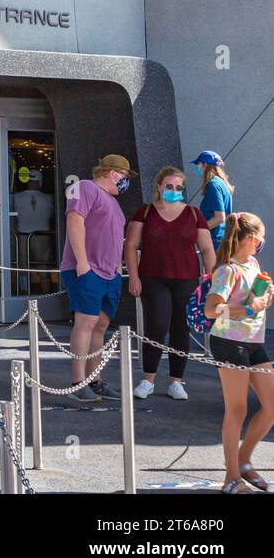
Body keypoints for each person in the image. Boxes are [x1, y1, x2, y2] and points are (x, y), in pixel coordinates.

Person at [125, 166, 215, 400]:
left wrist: (212, 279)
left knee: (180, 328)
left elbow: (206, 249)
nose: (174, 190)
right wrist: (133, 276)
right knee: (156, 325)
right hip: (153, 278)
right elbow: (131, 245)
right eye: (169, 186)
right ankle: (148, 379)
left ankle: (176, 381)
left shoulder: (194, 214)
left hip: (186, 279)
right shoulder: (145, 212)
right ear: (159, 186)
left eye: (178, 187)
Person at [203, 212, 272, 493]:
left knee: (271, 406)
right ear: (253, 239)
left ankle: (244, 461)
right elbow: (212, 309)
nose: (263, 241)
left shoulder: (253, 263)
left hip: (254, 341)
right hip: (229, 341)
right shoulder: (227, 270)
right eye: (262, 237)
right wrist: (247, 307)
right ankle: (231, 477)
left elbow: (255, 300)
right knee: (237, 409)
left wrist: (265, 298)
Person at [60, 154, 135, 402]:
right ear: (112, 172)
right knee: (86, 321)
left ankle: (95, 379)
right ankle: (77, 380)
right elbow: (75, 221)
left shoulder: (112, 202)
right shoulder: (84, 187)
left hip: (108, 273)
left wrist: (116, 268)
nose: (125, 181)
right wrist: (82, 263)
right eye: (124, 175)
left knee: (100, 324)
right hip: (87, 270)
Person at [193, 149, 234, 251]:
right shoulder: (221, 183)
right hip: (220, 240)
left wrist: (197, 231)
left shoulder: (213, 185)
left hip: (215, 242)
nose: (197, 167)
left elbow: (219, 218)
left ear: (205, 165)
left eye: (198, 164)